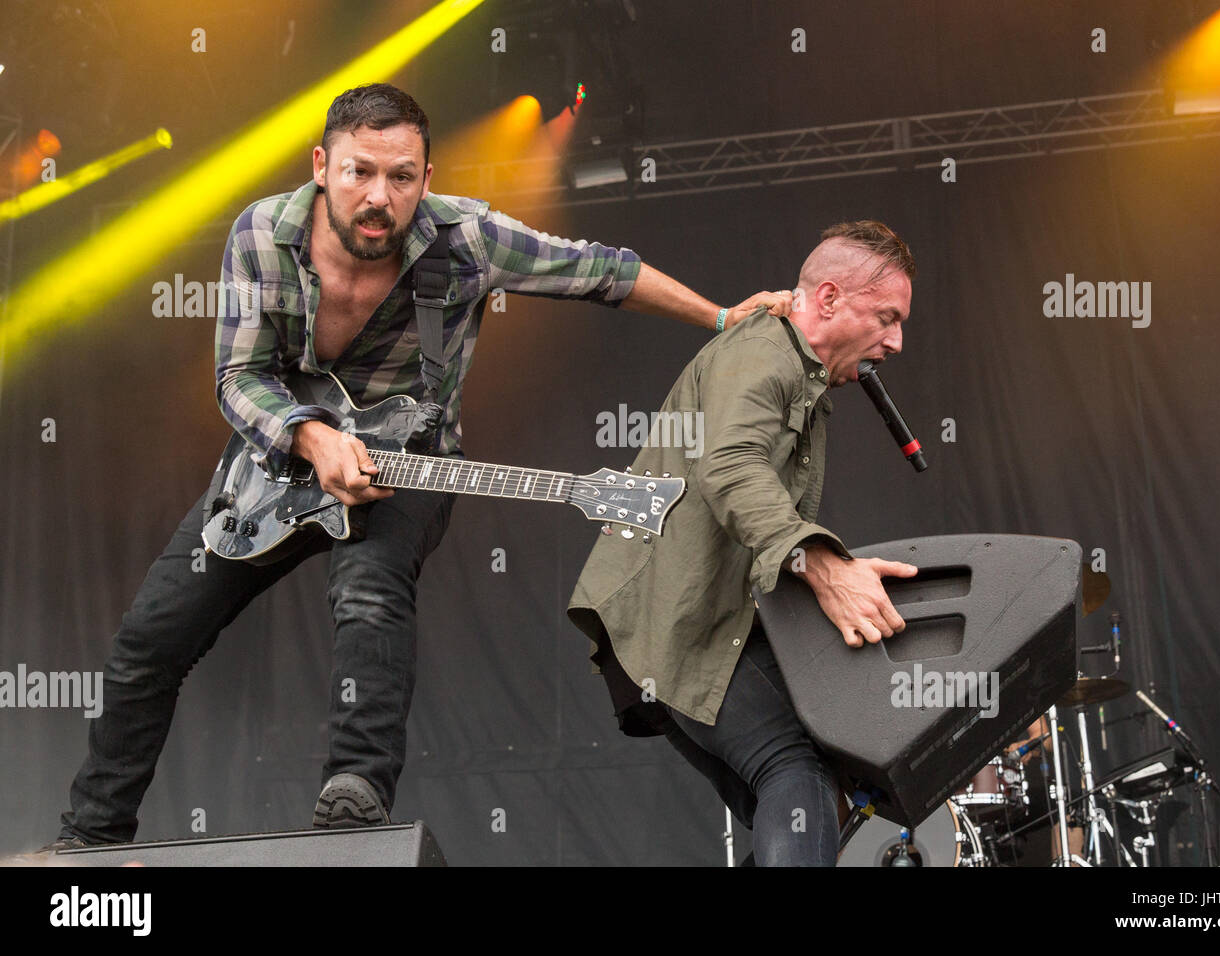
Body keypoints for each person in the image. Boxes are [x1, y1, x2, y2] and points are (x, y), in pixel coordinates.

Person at [46, 83, 792, 850]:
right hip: (273, 470)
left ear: (427, 180)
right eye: (359, 172)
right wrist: (313, 439)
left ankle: (355, 793)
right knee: (147, 641)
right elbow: (239, 378)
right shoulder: (263, 234)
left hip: (411, 467)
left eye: (401, 177)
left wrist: (724, 317)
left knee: (368, 592)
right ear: (320, 167)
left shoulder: (466, 239)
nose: (379, 197)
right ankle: (91, 838)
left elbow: (603, 271)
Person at [568, 220, 923, 866]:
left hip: (688, 623)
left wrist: (830, 565)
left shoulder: (803, 376)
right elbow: (729, 465)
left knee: (812, 805)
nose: (896, 341)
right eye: (886, 317)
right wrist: (821, 564)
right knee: (798, 773)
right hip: (671, 620)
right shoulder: (765, 350)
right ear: (829, 299)